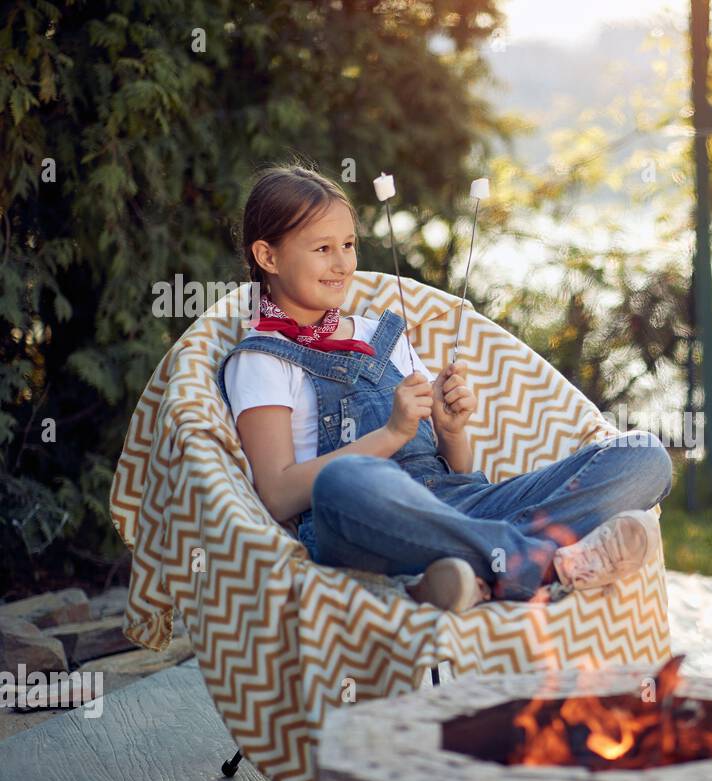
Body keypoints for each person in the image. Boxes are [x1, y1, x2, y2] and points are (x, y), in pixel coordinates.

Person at [218, 164, 673, 612]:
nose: (342, 264)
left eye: (349, 245)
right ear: (269, 256)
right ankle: (539, 562)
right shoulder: (263, 358)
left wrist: (452, 430)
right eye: (322, 248)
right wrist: (391, 434)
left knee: (643, 455)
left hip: (460, 506)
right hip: (367, 522)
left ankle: (467, 572)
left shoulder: (382, 335)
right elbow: (276, 495)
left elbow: (457, 472)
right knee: (346, 480)